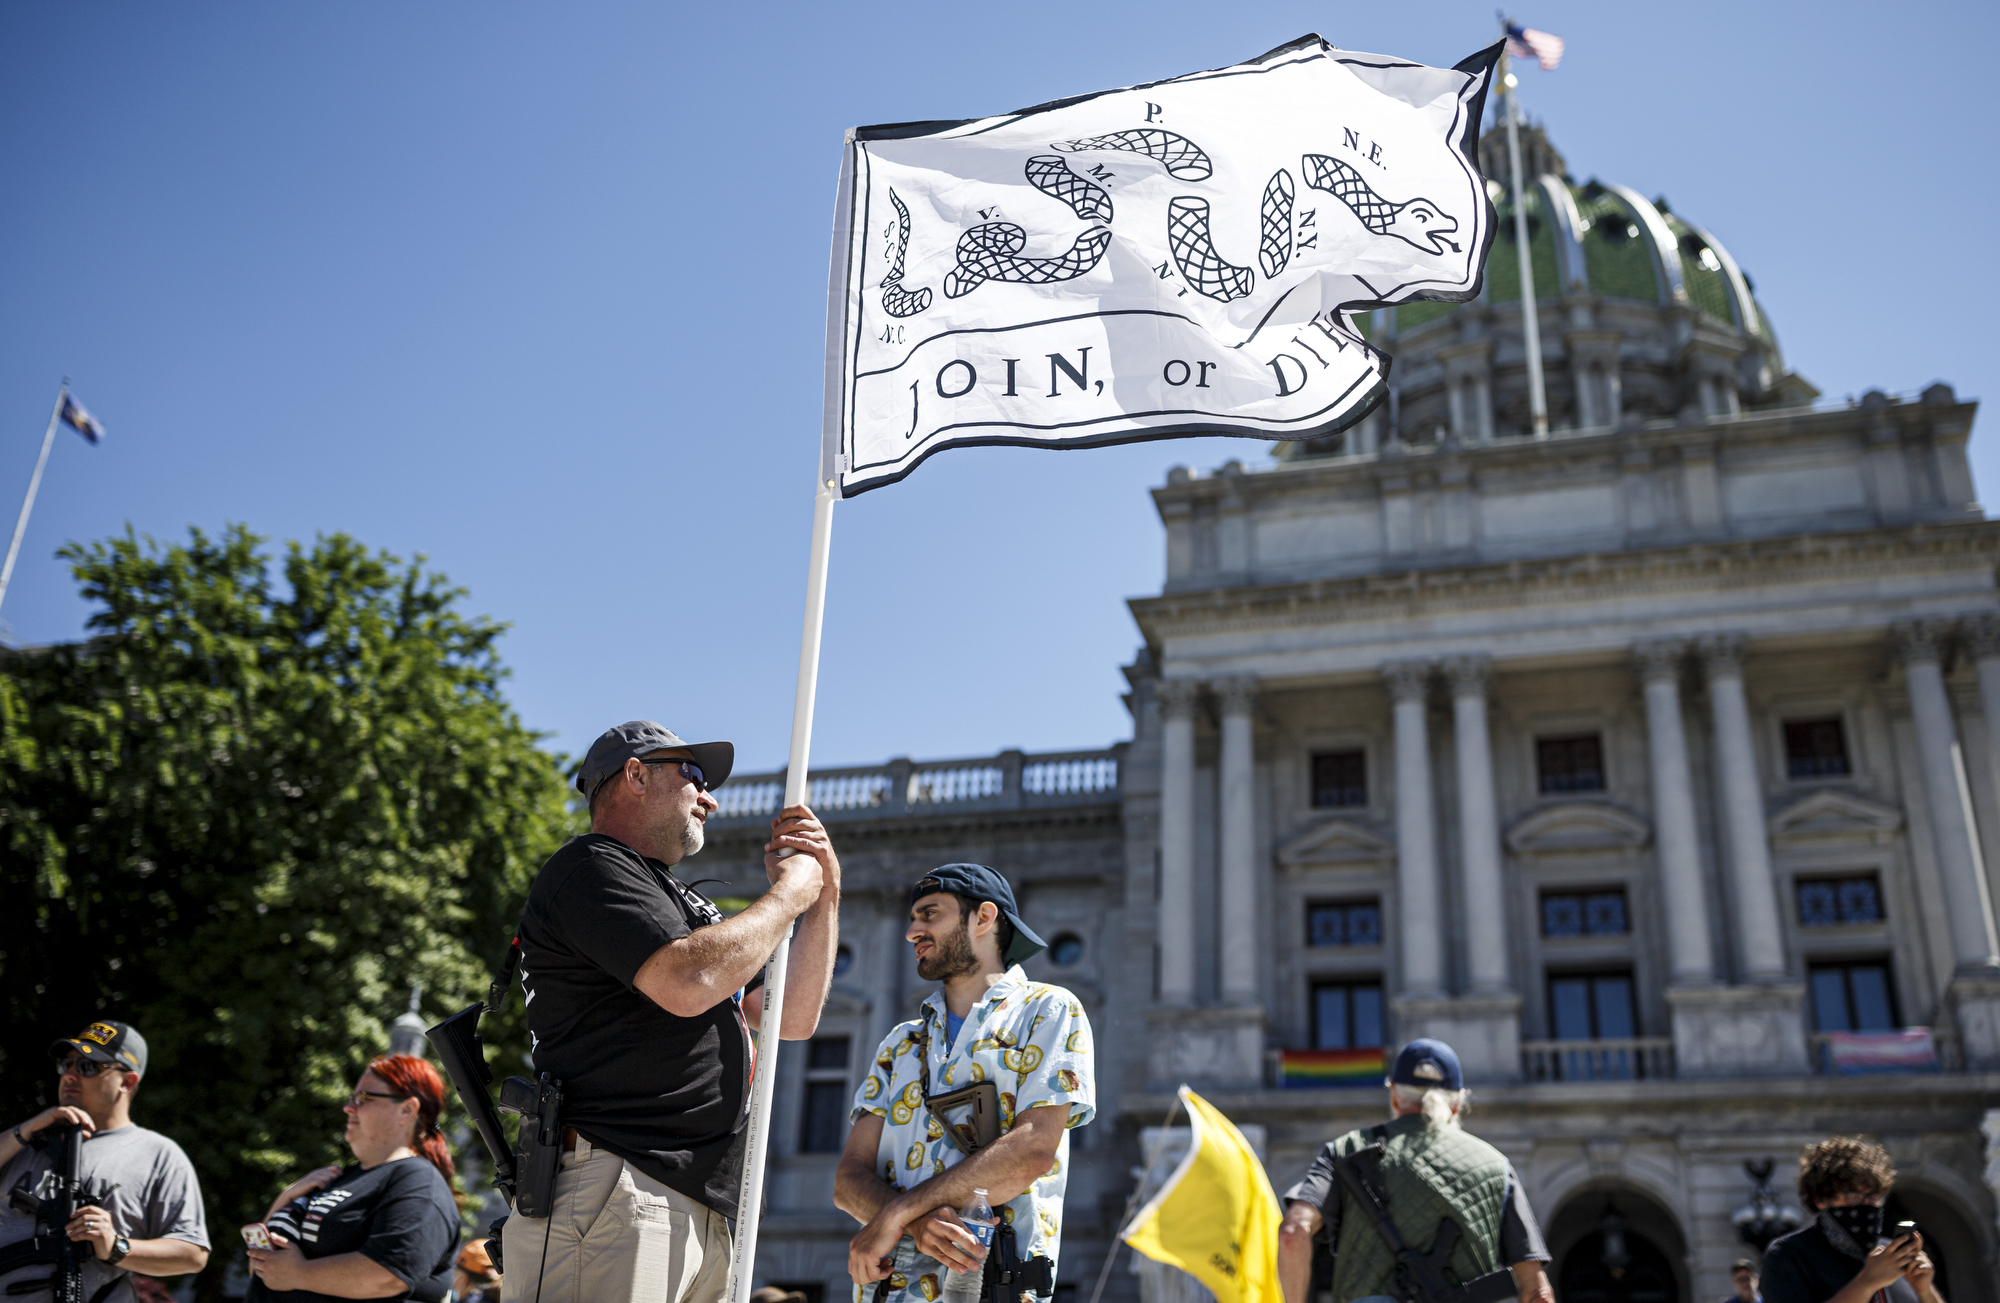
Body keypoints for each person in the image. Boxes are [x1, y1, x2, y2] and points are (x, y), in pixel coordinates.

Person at [501, 720, 842, 1303]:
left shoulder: (681, 901)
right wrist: (787, 895)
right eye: (693, 776)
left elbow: (792, 1016)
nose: (710, 797)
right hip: (617, 1184)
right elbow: (689, 980)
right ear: (635, 775)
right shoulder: (589, 867)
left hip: (690, 1199)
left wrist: (824, 895)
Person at [836, 864, 1095, 1303]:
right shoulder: (901, 1042)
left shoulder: (1048, 1011)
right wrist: (916, 1225)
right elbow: (848, 1179)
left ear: (983, 918)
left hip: (992, 1288)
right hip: (890, 1290)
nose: (912, 930)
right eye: (913, 917)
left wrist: (898, 1212)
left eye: (930, 914)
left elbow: (1031, 1149)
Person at [1277, 1038, 1554, 1303]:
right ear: (1457, 1104)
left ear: (1394, 1097)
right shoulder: (1496, 1165)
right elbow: (1537, 1293)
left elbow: (1293, 1231)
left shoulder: (1347, 1149)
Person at [0, 1020, 210, 1302]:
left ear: (128, 1081)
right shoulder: (23, 1142)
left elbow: (192, 1255)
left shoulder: (159, 1154)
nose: (70, 1075)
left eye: (88, 1066)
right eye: (67, 1064)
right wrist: (23, 1131)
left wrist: (115, 1246)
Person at [245, 1054, 461, 1301]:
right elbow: (264, 1270)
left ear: (407, 1109)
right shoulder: (336, 1177)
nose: (349, 1107)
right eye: (352, 1098)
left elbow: (389, 1274)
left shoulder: (417, 1180)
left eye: (364, 1098)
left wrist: (300, 1274)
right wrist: (284, 1198)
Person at [1759, 1137, 1944, 1303]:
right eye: (1853, 1195)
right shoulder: (1790, 1254)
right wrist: (1867, 1282)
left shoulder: (1891, 1253)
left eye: (1873, 1196)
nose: (1867, 1204)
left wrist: (1924, 1290)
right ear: (1820, 1198)